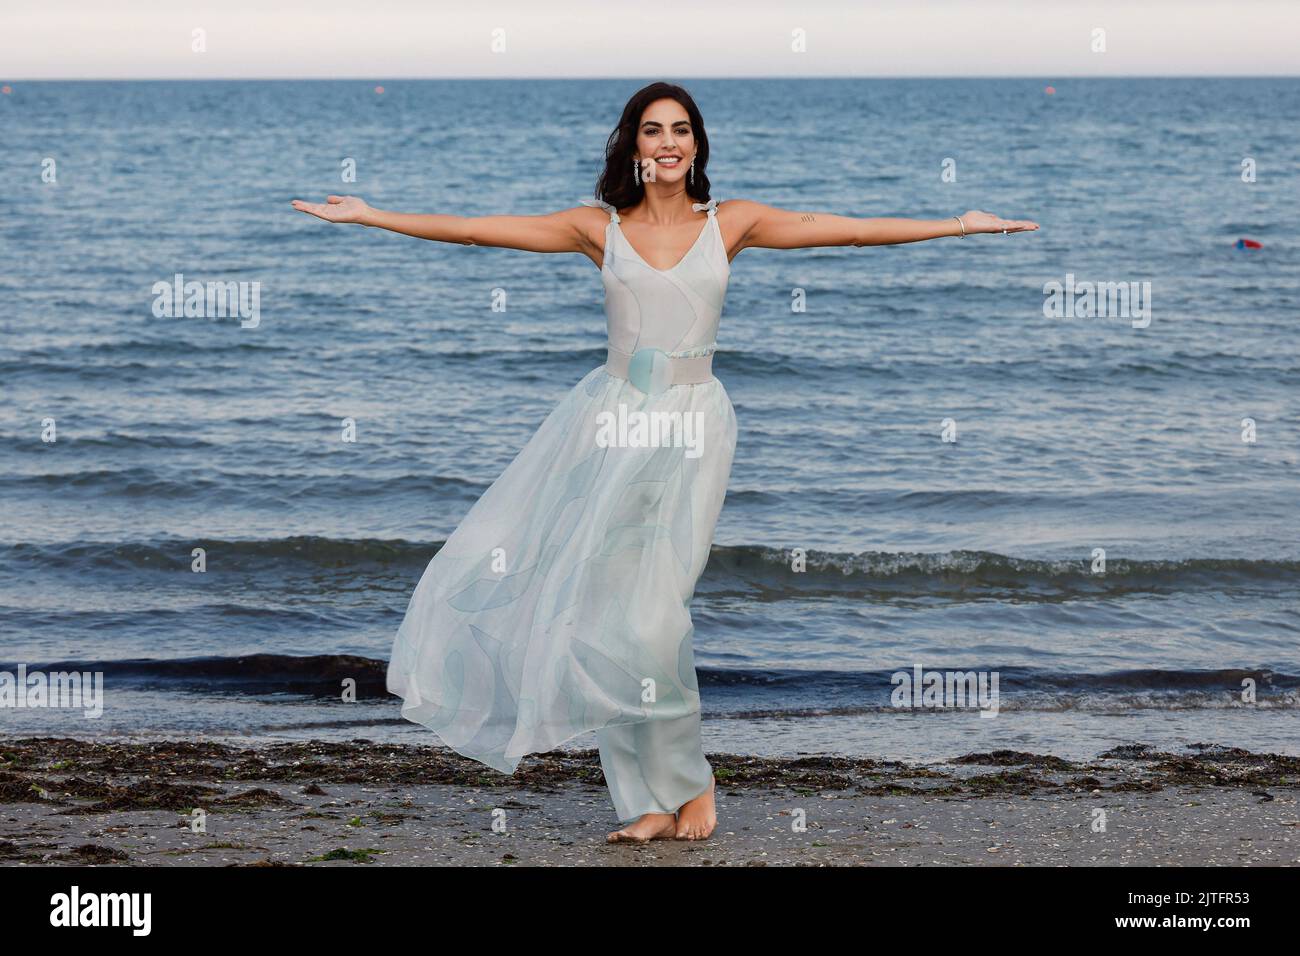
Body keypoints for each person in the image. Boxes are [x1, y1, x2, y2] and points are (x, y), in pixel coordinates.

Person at [291, 80, 1037, 844]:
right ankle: (645, 803)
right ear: (633, 145)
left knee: (654, 616)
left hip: (693, 428)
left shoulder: (732, 223)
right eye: (653, 131)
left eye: (682, 130)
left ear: (698, 145)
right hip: (610, 424)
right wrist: (374, 214)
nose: (669, 143)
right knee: (606, 614)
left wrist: (958, 225)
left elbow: (842, 231)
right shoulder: (597, 227)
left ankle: (691, 780)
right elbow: (482, 231)